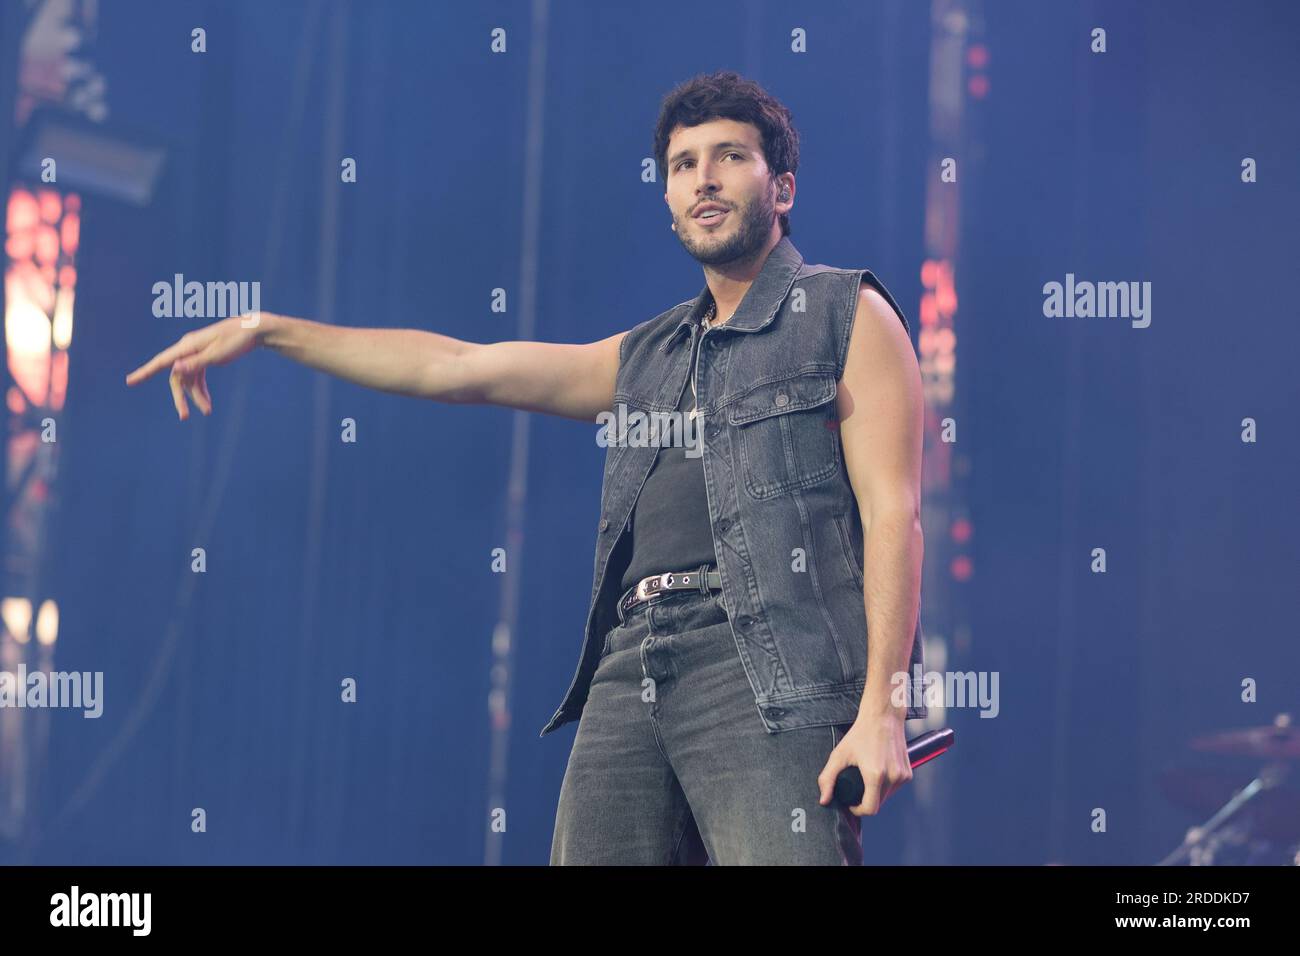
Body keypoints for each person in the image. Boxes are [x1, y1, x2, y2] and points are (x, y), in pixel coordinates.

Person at [125, 70, 928, 865]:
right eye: (683, 165)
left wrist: (883, 711)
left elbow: (894, 515)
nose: (703, 179)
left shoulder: (845, 312)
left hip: (764, 674)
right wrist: (272, 331)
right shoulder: (645, 355)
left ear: (780, 187)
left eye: (728, 156)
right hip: (628, 671)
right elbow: (460, 367)